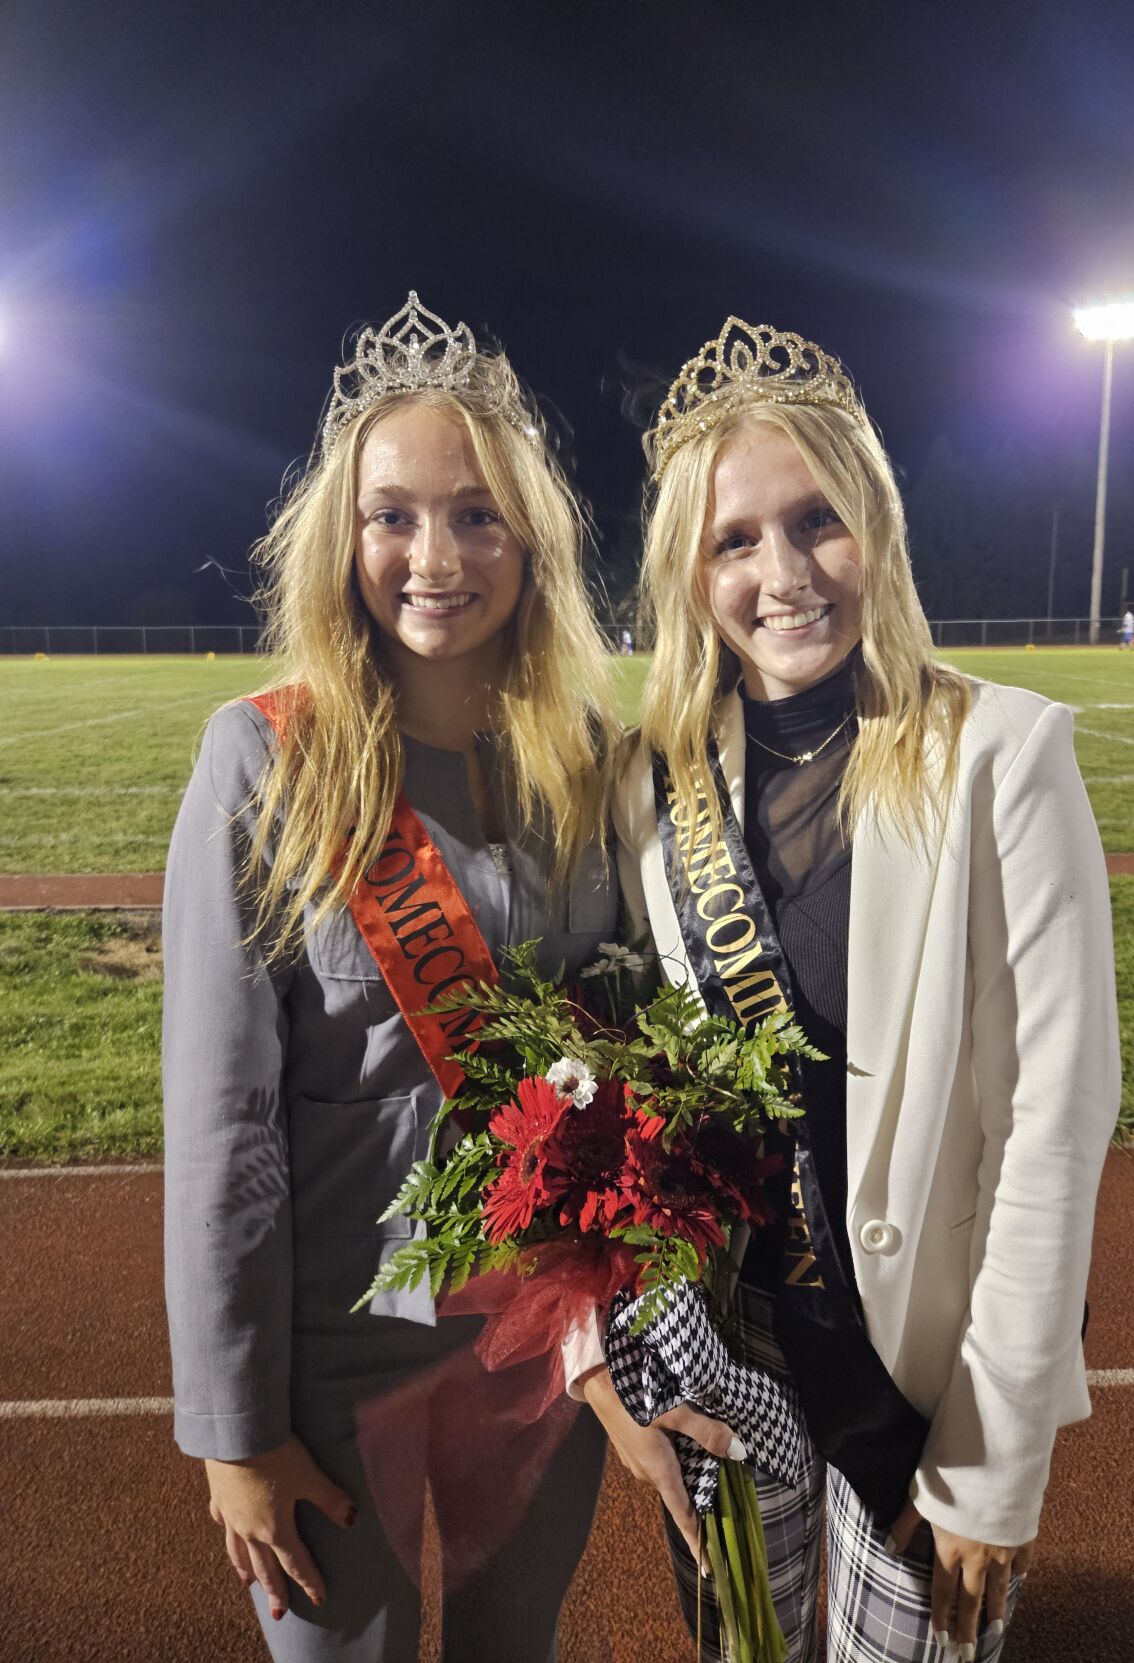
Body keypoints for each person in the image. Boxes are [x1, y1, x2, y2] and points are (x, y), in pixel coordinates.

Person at [566, 317, 1120, 1662]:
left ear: (876, 524)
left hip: (920, 1368)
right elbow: (594, 1077)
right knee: (741, 1649)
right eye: (735, 541)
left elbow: (1053, 1124)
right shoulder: (644, 784)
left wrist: (997, 1462)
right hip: (721, 1345)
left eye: (818, 521)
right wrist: (608, 1355)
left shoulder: (1001, 757)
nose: (785, 574)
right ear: (688, 573)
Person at [163, 293, 618, 1663]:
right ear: (341, 538)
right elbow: (223, 1122)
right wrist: (235, 1430)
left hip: (536, 1341)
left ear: (530, 538)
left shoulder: (588, 761)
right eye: (393, 516)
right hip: (332, 1350)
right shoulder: (262, 759)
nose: (436, 556)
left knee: (513, 1646)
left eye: (477, 514)